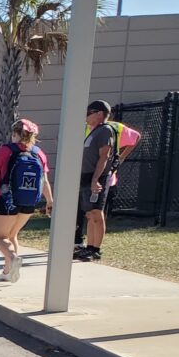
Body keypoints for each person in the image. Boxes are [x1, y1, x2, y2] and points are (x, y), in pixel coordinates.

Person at [0, 118, 53, 283]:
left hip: (7, 199)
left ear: (15, 134)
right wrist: (49, 201)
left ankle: (13, 258)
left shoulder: (5, 150)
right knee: (12, 235)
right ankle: (7, 272)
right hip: (28, 202)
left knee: (0, 237)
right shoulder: (39, 153)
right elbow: (45, 181)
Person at [75, 101, 117, 262]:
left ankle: (96, 249)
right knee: (90, 214)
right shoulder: (95, 131)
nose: (87, 116)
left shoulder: (105, 131)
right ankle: (89, 247)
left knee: (97, 213)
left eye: (89, 112)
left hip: (96, 177)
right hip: (86, 176)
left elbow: (104, 157)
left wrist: (95, 180)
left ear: (100, 114)